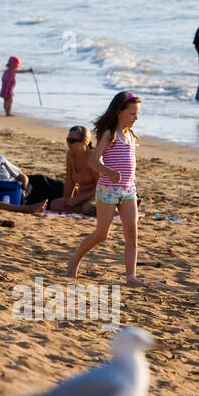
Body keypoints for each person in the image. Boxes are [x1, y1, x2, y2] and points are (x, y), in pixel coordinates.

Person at [66, 91, 148, 287]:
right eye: (132, 113)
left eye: (137, 114)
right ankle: (74, 260)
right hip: (108, 189)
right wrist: (108, 171)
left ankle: (131, 277)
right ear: (120, 112)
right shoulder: (109, 134)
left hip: (128, 190)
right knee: (102, 234)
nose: (136, 118)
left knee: (132, 232)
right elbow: (94, 160)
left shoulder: (131, 136)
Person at [50, 126, 98, 215]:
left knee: (87, 208)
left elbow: (101, 187)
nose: (69, 143)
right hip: (81, 196)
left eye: (72, 141)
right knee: (55, 204)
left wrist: (77, 199)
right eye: (67, 140)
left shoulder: (93, 158)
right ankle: (81, 210)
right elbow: (69, 180)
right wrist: (66, 200)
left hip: (96, 196)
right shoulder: (70, 155)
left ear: (84, 142)